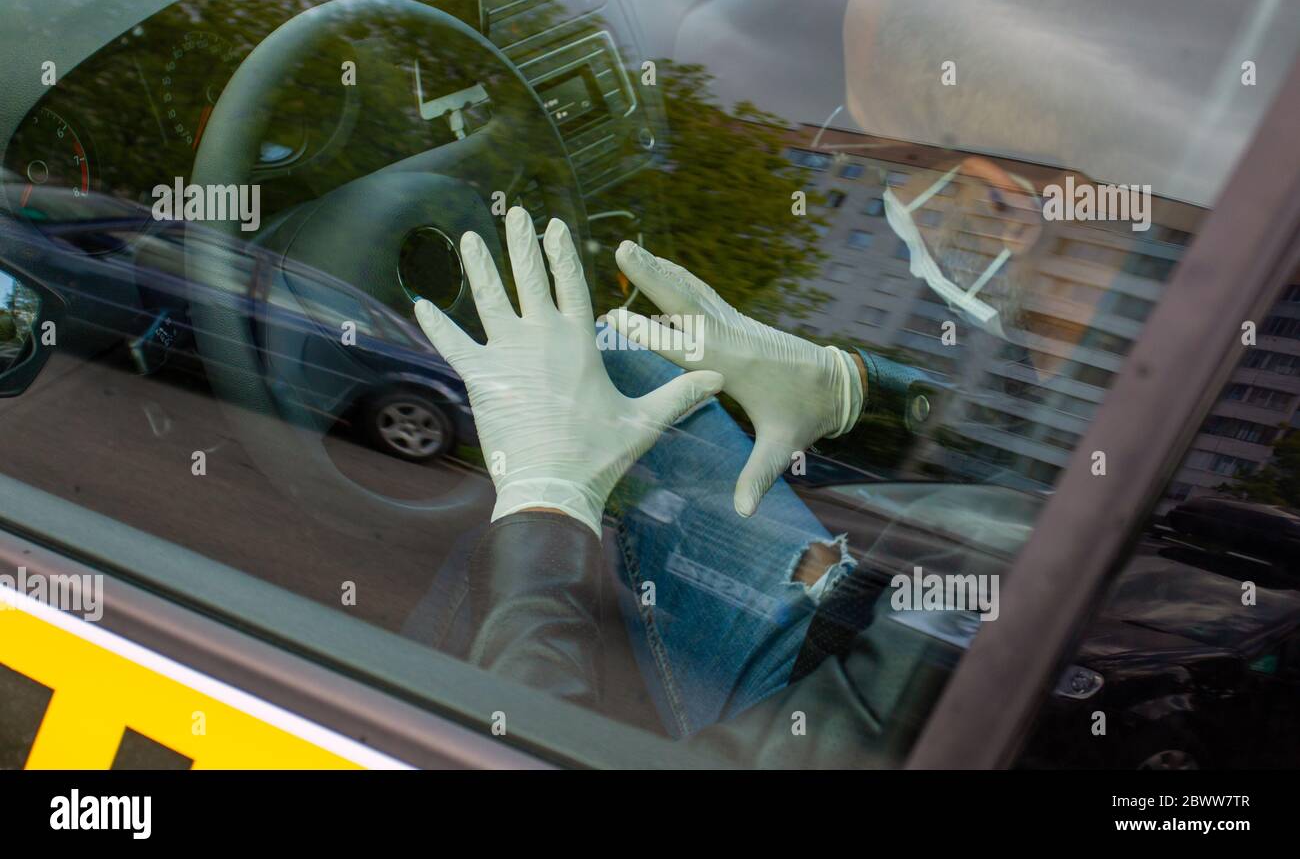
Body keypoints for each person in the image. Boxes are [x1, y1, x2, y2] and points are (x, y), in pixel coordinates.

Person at [414, 206, 1001, 765]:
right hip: (882, 633)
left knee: (533, 474)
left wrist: (545, 502)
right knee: (611, 347)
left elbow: (540, 753)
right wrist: (859, 391)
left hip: (802, 724)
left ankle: (401, 699)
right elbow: (1036, 475)